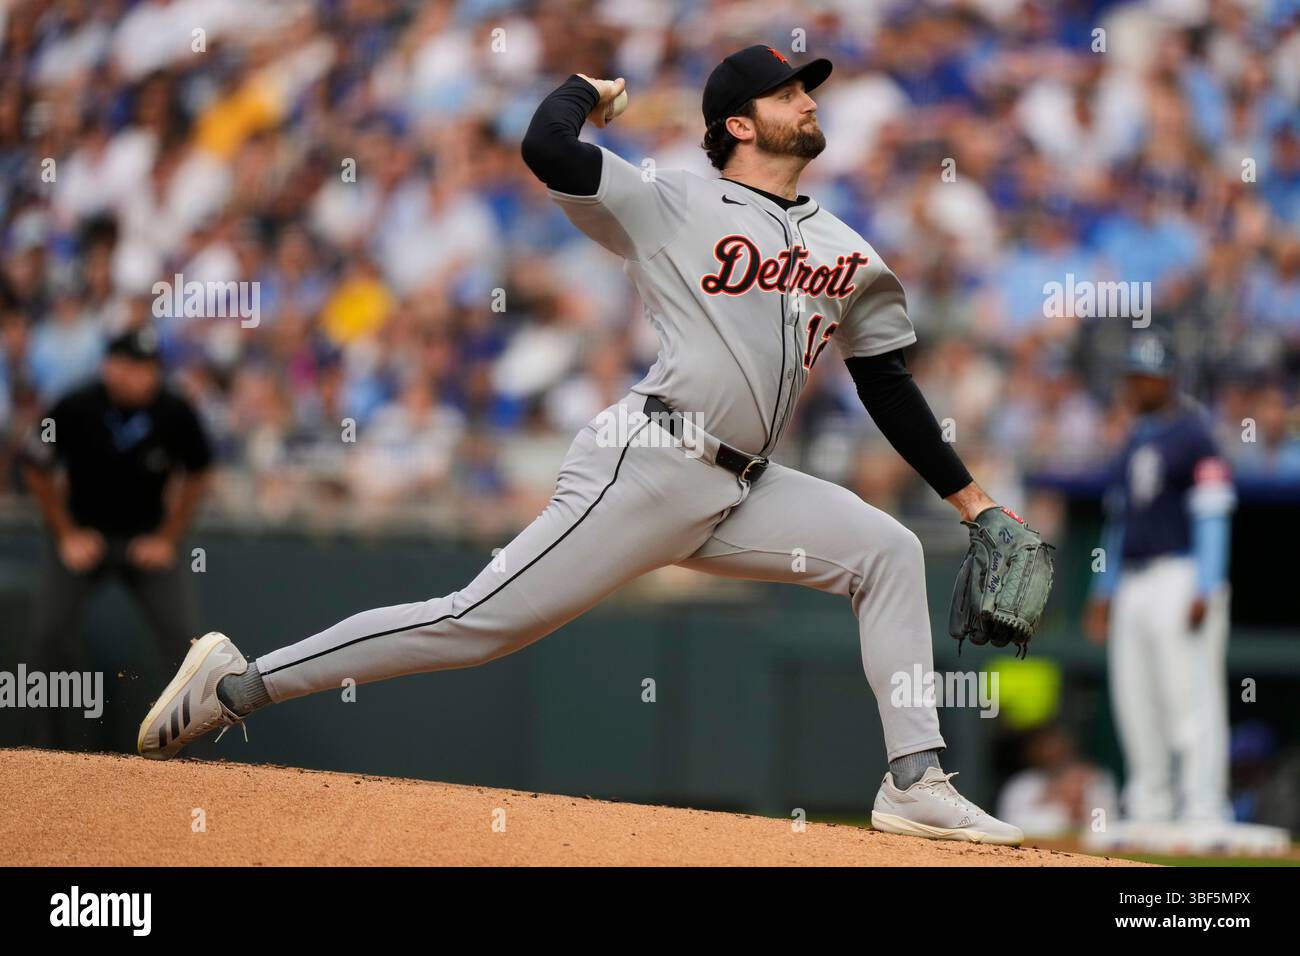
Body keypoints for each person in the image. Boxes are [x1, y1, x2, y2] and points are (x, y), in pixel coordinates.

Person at [138, 46, 1051, 845]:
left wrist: (972, 501)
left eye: (807, 90)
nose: (808, 101)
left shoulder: (847, 249)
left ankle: (914, 783)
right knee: (472, 624)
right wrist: (584, 88)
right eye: (787, 93)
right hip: (648, 462)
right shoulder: (670, 199)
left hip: (746, 489)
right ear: (738, 122)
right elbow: (546, 148)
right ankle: (238, 684)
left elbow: (885, 384)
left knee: (886, 550)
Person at [21, 325, 213, 745]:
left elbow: (199, 473)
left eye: (150, 368)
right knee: (47, 637)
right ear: (111, 367)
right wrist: (67, 533)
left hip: (145, 541)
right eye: (134, 367)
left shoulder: (174, 411)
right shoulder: (75, 406)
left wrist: (167, 536)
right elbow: (34, 466)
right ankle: (42, 753)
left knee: (187, 643)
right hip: (84, 539)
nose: (144, 377)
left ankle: (186, 749)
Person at [1085, 332, 1235, 825]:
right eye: (1134, 375)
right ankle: (1150, 803)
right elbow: (1118, 520)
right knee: (1136, 696)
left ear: (1169, 378)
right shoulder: (1134, 438)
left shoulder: (1196, 434)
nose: (1138, 384)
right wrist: (1103, 590)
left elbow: (1213, 510)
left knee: (1189, 694)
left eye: (1146, 376)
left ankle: (1203, 805)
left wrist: (1207, 583)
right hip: (1133, 577)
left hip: (1181, 569)